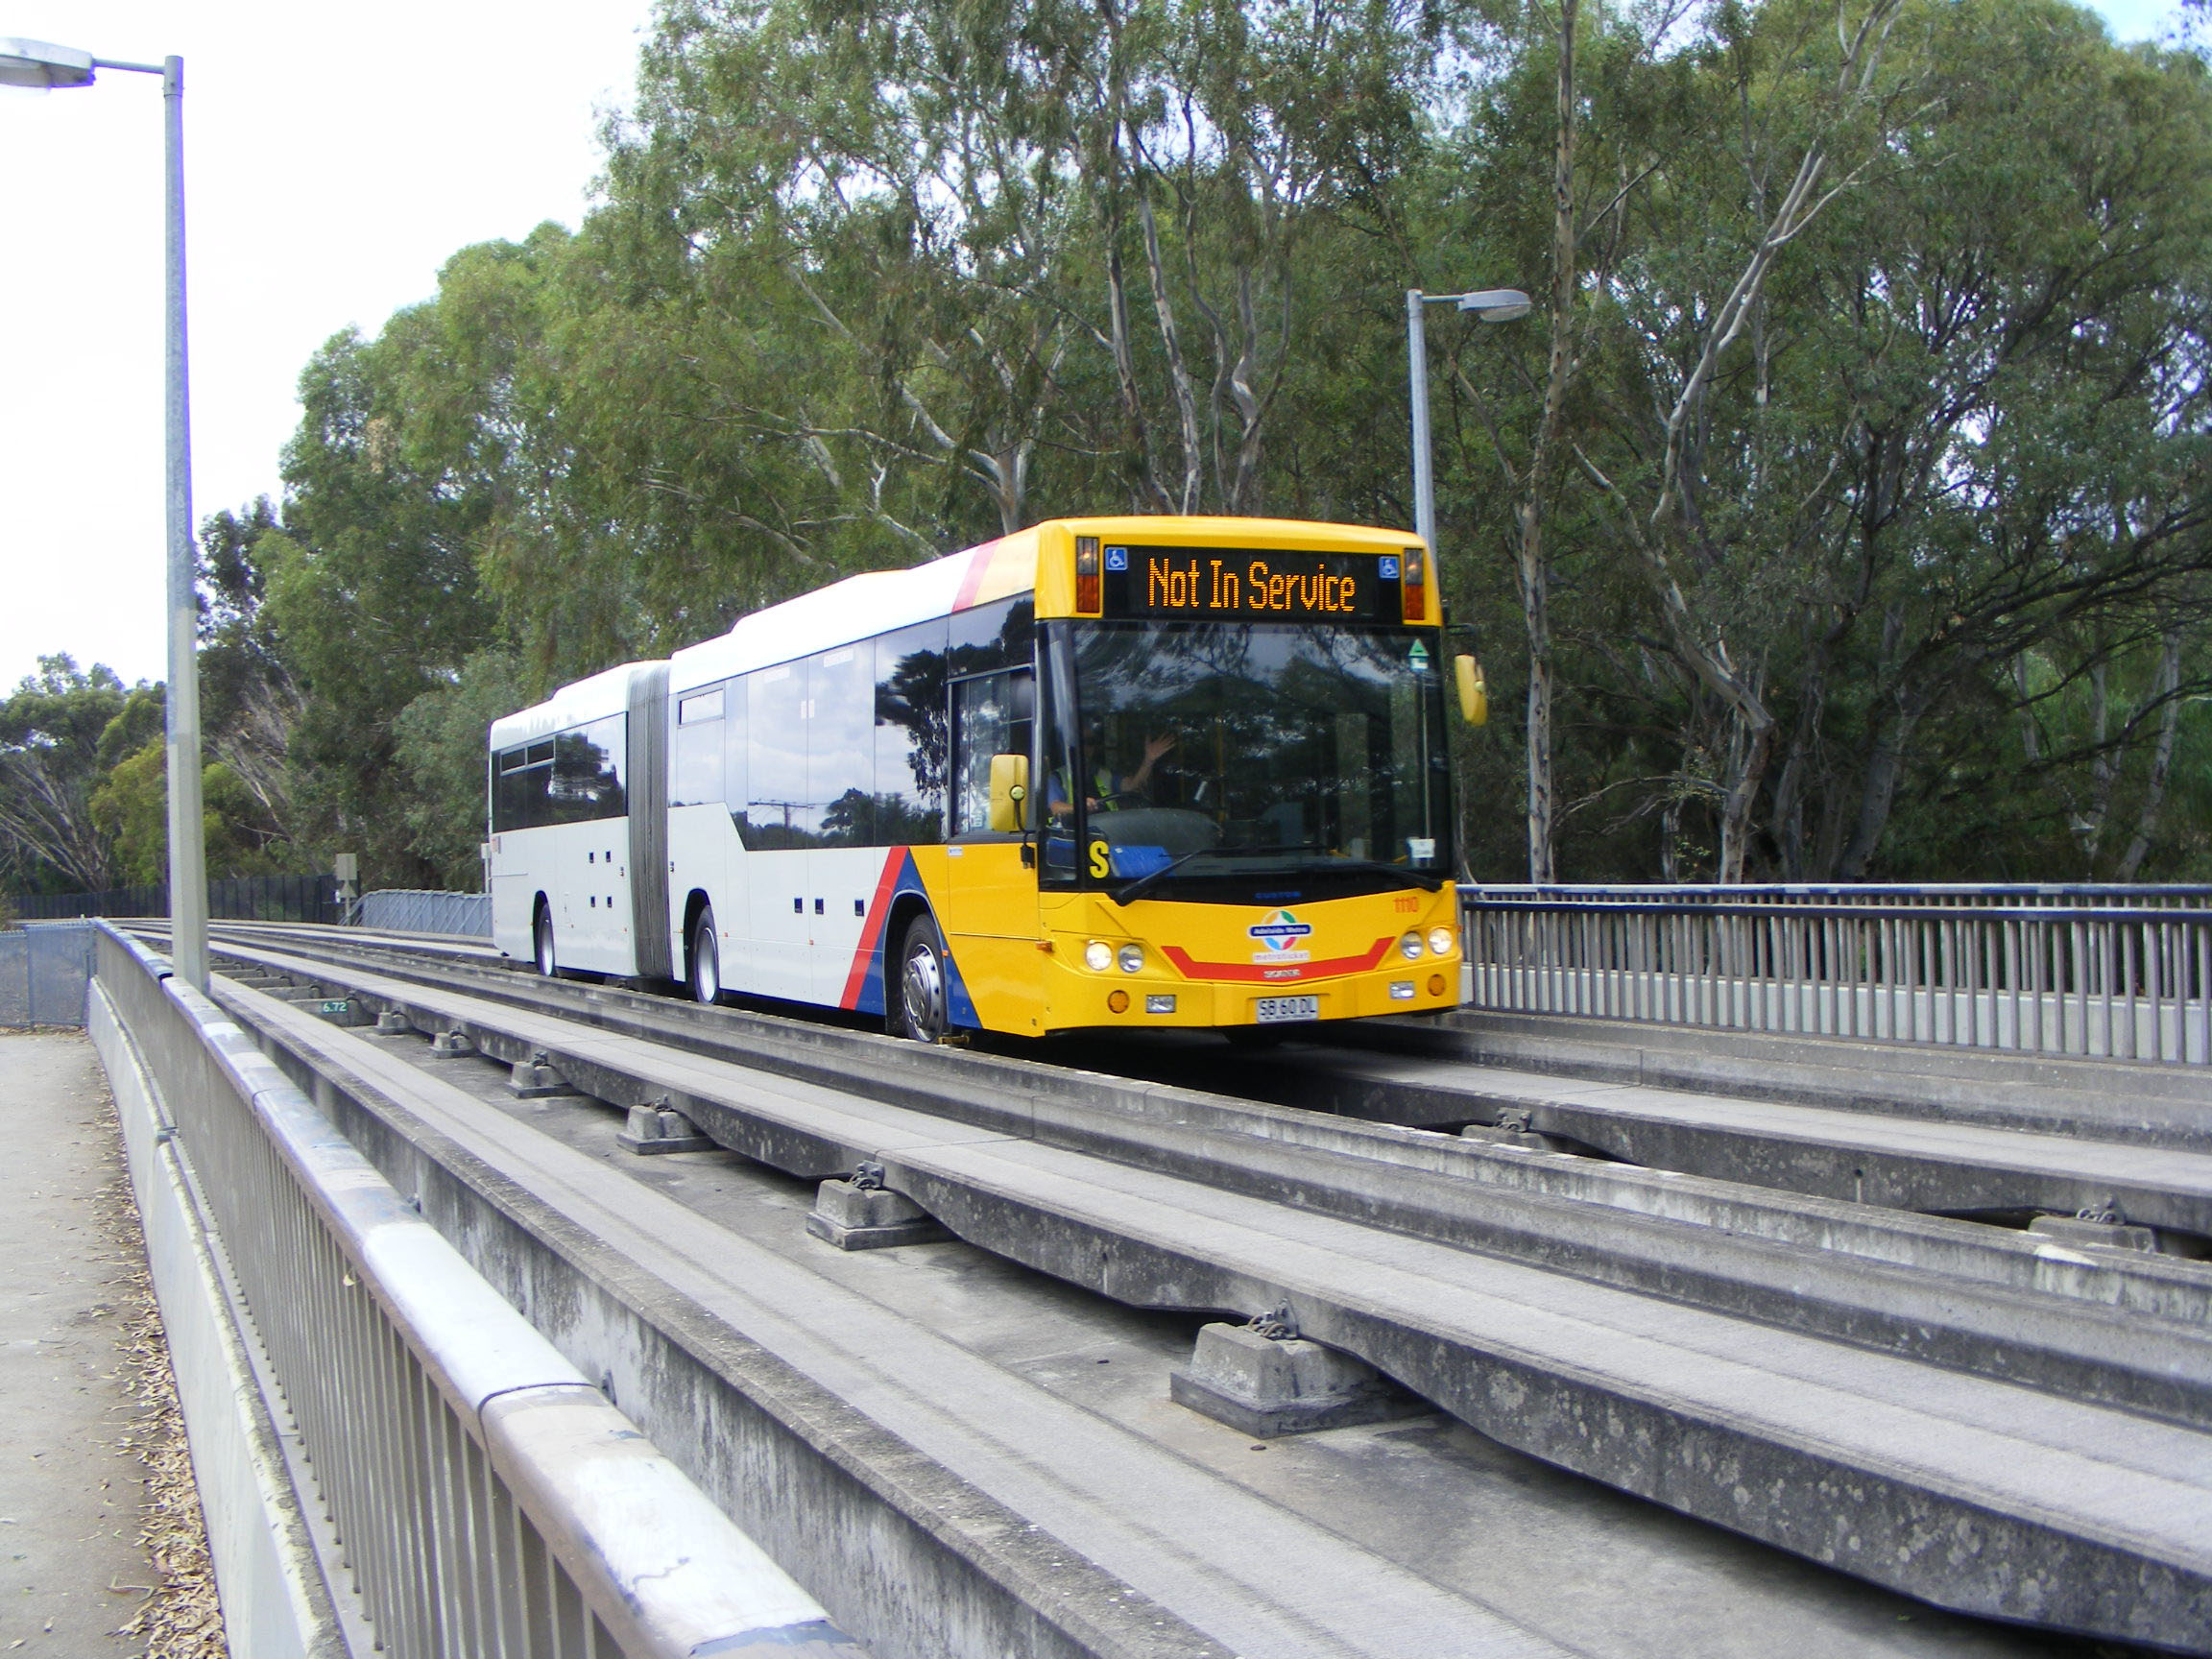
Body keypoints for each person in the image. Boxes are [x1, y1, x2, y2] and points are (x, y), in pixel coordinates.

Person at [1048, 730, 1177, 819]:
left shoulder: (1105, 774)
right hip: (1075, 841)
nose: (1085, 747)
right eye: (1080, 742)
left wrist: (1149, 760)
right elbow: (1056, 807)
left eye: (1090, 742)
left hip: (1112, 835)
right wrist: (1078, 807)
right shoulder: (1057, 777)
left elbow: (1132, 786)